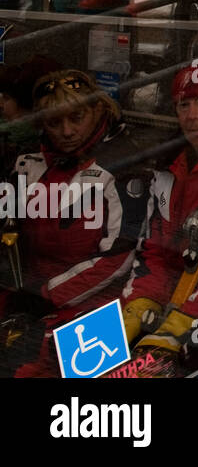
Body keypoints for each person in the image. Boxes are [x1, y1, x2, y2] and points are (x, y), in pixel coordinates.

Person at [0, 70, 151, 377]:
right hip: (30, 297)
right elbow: (6, 231)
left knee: (49, 370)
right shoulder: (25, 164)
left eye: (76, 118)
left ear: (97, 109)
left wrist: (44, 294)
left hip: (105, 303)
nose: (67, 131)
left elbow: (119, 257)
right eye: (54, 122)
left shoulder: (122, 164)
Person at [120, 60, 198, 375]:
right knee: (76, 360)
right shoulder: (170, 167)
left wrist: (180, 322)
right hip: (171, 299)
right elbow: (154, 250)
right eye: (184, 104)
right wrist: (141, 302)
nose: (192, 115)